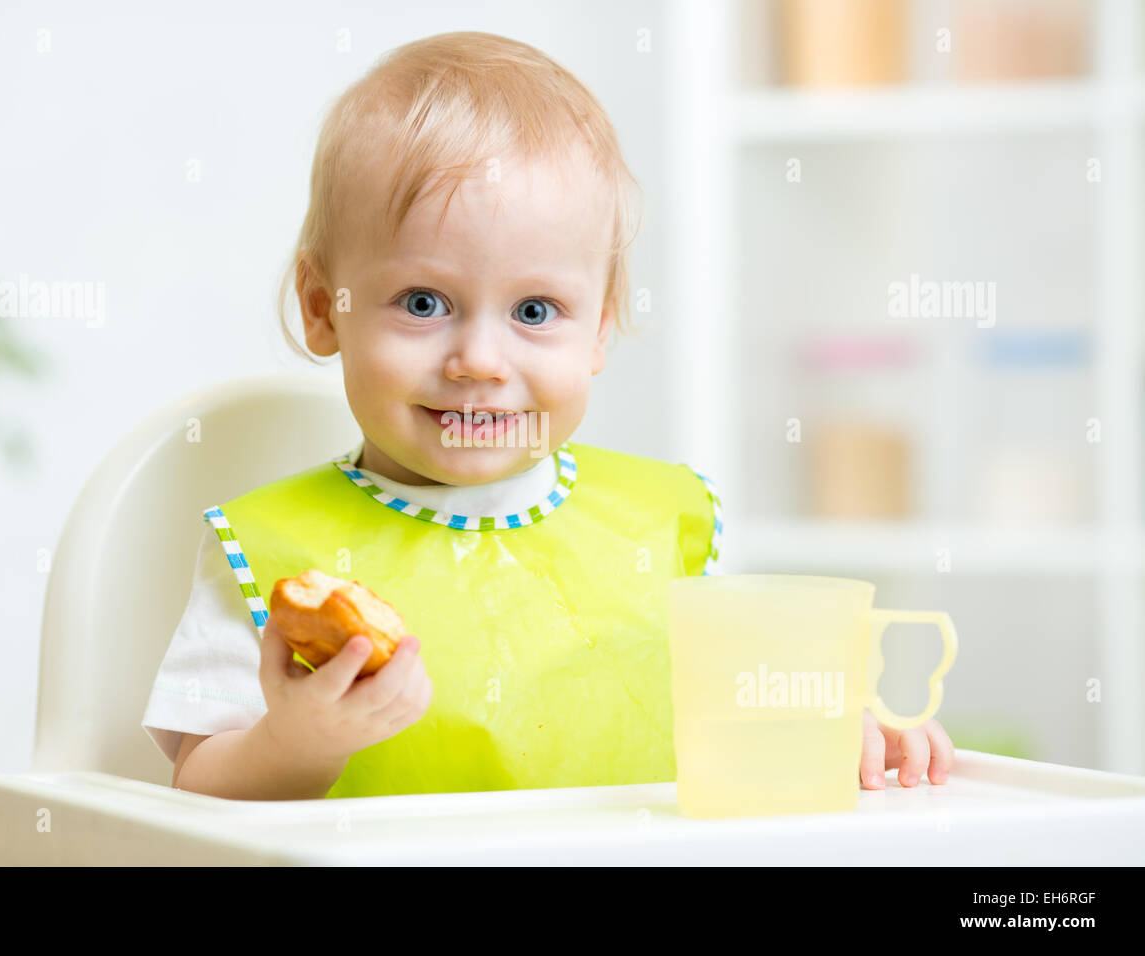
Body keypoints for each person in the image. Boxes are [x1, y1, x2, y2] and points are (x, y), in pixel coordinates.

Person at [141, 30, 951, 801]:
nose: (481, 361)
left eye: (534, 310)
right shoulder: (275, 556)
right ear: (324, 308)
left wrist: (832, 729)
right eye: (424, 303)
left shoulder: (653, 526)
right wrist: (296, 743)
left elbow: (743, 716)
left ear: (599, 327)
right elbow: (194, 792)